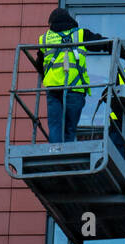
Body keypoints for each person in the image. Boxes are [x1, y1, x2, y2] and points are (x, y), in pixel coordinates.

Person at [36, 8, 111, 143]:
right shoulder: (81, 34)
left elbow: (39, 64)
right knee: (70, 128)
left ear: (51, 23)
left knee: (55, 126)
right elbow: (104, 44)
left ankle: (55, 152)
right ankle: (66, 155)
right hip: (75, 88)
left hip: (53, 88)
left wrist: (46, 76)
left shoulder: (45, 38)